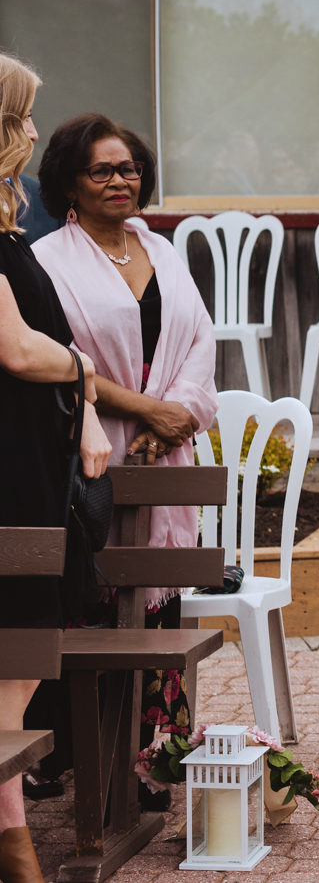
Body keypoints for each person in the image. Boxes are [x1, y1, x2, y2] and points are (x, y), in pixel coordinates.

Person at [31, 113, 218, 809]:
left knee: (158, 605)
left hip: (163, 451)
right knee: (95, 599)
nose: (120, 181)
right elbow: (59, 360)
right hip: (90, 446)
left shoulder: (160, 250)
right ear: (70, 185)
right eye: (101, 170)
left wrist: (172, 415)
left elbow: (200, 339)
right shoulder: (50, 261)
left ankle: (156, 765)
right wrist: (140, 410)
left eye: (129, 168)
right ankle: (82, 758)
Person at [0, 54, 112, 883]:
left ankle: (9, 830)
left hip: (30, 456)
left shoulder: (9, 225)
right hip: (9, 468)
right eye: (23, 116)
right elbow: (17, 350)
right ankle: (11, 835)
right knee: (19, 646)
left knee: (22, 649)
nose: (35, 132)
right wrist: (78, 367)